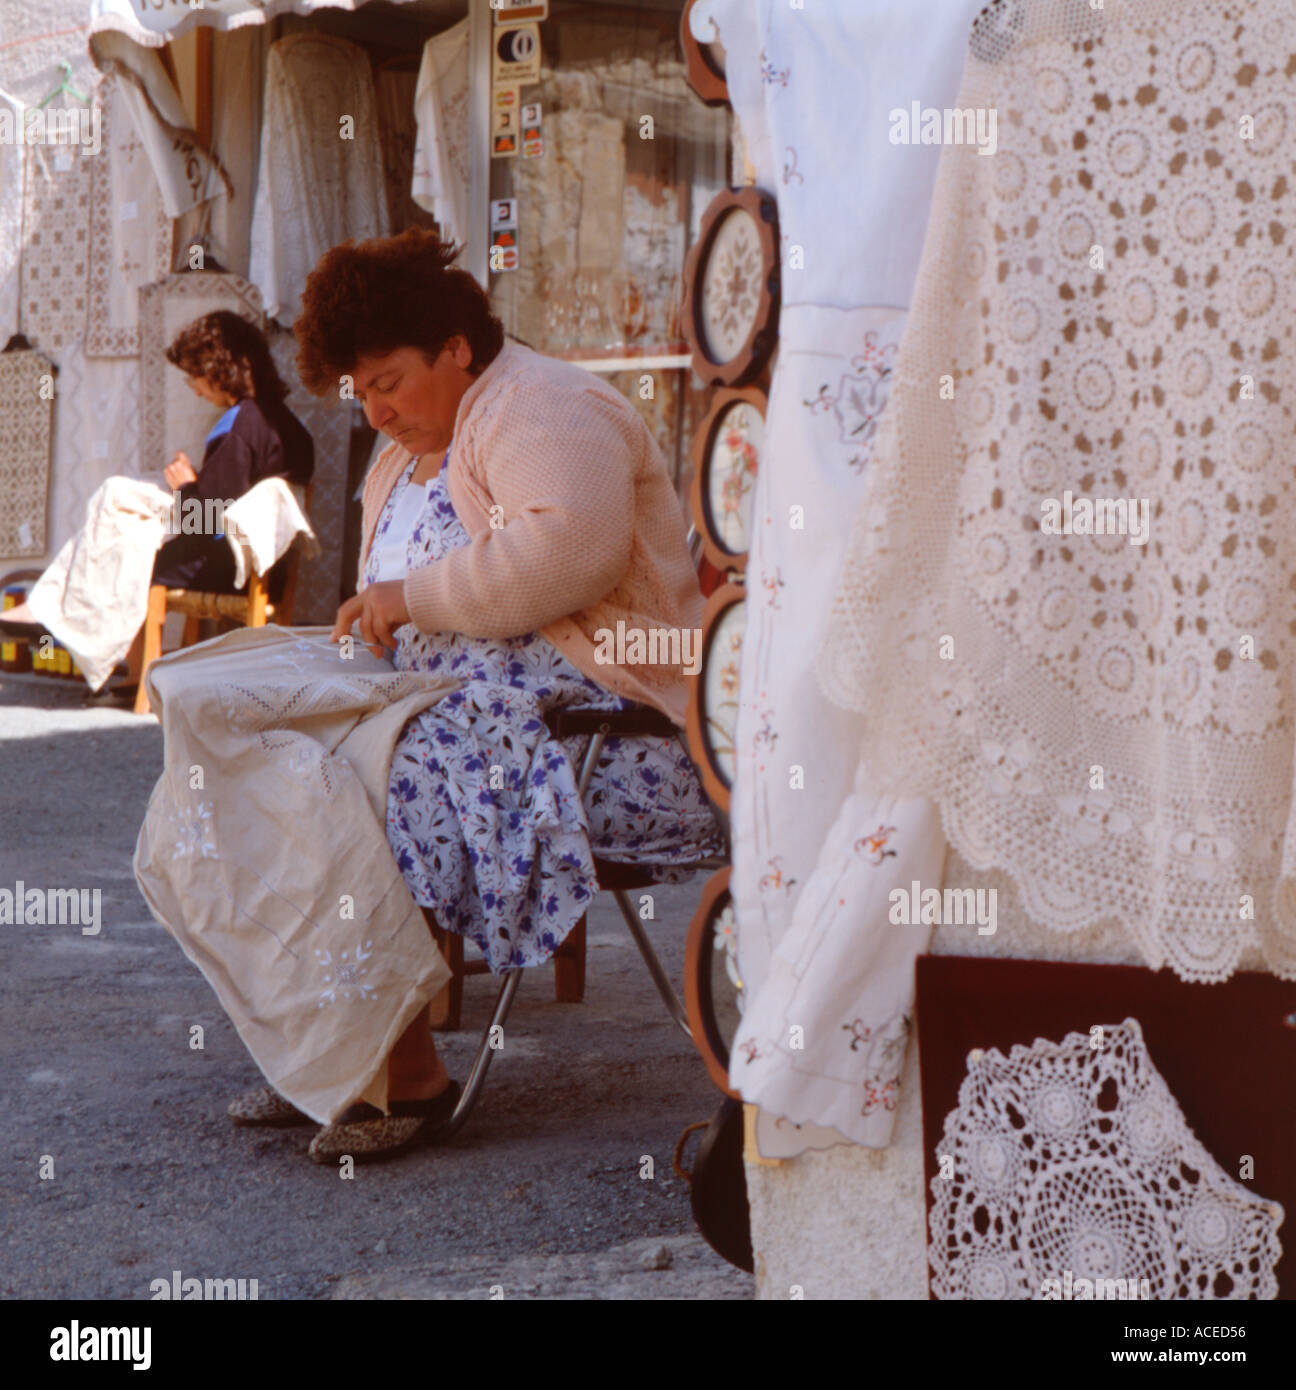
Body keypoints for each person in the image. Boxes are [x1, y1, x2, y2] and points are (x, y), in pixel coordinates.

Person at [221, 228, 723, 1161]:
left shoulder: (547, 407)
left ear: (456, 346)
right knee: (266, 758)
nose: (376, 411)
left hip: (611, 743)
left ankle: (404, 1073)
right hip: (487, 729)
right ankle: (328, 1051)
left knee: (371, 772)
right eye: (360, 392)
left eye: (390, 382)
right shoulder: (408, 451)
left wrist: (406, 601)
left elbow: (565, 552)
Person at [0, 311, 314, 699]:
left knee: (124, 526)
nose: (195, 390)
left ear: (221, 369)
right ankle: (79, 635)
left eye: (195, 377)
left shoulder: (241, 427)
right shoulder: (287, 425)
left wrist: (184, 485)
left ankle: (62, 622)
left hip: (224, 565)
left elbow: (202, 522)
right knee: (121, 511)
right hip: (260, 564)